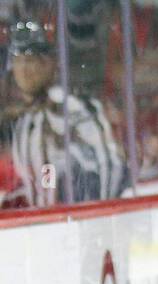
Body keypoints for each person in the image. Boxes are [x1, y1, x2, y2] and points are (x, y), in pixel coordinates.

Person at [4, 20, 125, 207]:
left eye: (30, 60)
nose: (23, 69)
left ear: (49, 64)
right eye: (18, 60)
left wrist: (95, 218)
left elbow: (110, 165)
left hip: (81, 225)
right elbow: (41, 180)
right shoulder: (25, 123)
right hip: (49, 228)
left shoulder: (72, 108)